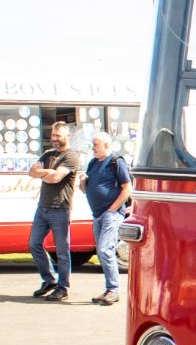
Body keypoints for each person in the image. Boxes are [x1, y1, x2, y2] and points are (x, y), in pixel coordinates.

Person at [78, 131, 133, 305]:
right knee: (102, 253)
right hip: (97, 214)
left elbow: (127, 189)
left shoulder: (116, 162)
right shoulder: (93, 163)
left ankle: (114, 290)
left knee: (105, 250)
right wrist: (83, 182)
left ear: (106, 146)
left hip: (111, 214)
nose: (93, 148)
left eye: (96, 145)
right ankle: (109, 288)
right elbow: (85, 190)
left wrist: (112, 209)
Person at [27, 121, 78, 300]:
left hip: (60, 209)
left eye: (58, 136)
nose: (54, 139)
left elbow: (56, 178)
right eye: (53, 135)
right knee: (34, 244)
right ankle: (49, 280)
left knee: (62, 251)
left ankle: (63, 287)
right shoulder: (48, 153)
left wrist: (47, 173)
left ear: (67, 136)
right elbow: (32, 172)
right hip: (42, 208)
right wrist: (47, 173)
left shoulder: (71, 157)